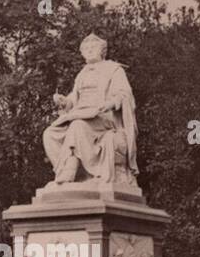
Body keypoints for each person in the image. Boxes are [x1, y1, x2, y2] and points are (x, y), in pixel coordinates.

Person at [42, 32, 139, 187]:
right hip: (80, 114)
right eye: (86, 49)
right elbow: (75, 98)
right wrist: (65, 101)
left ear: (102, 50)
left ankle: (70, 170)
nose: (89, 50)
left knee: (78, 126)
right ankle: (66, 169)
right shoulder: (82, 74)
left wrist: (110, 103)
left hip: (103, 116)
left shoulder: (114, 69)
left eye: (93, 47)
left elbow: (124, 94)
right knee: (50, 134)